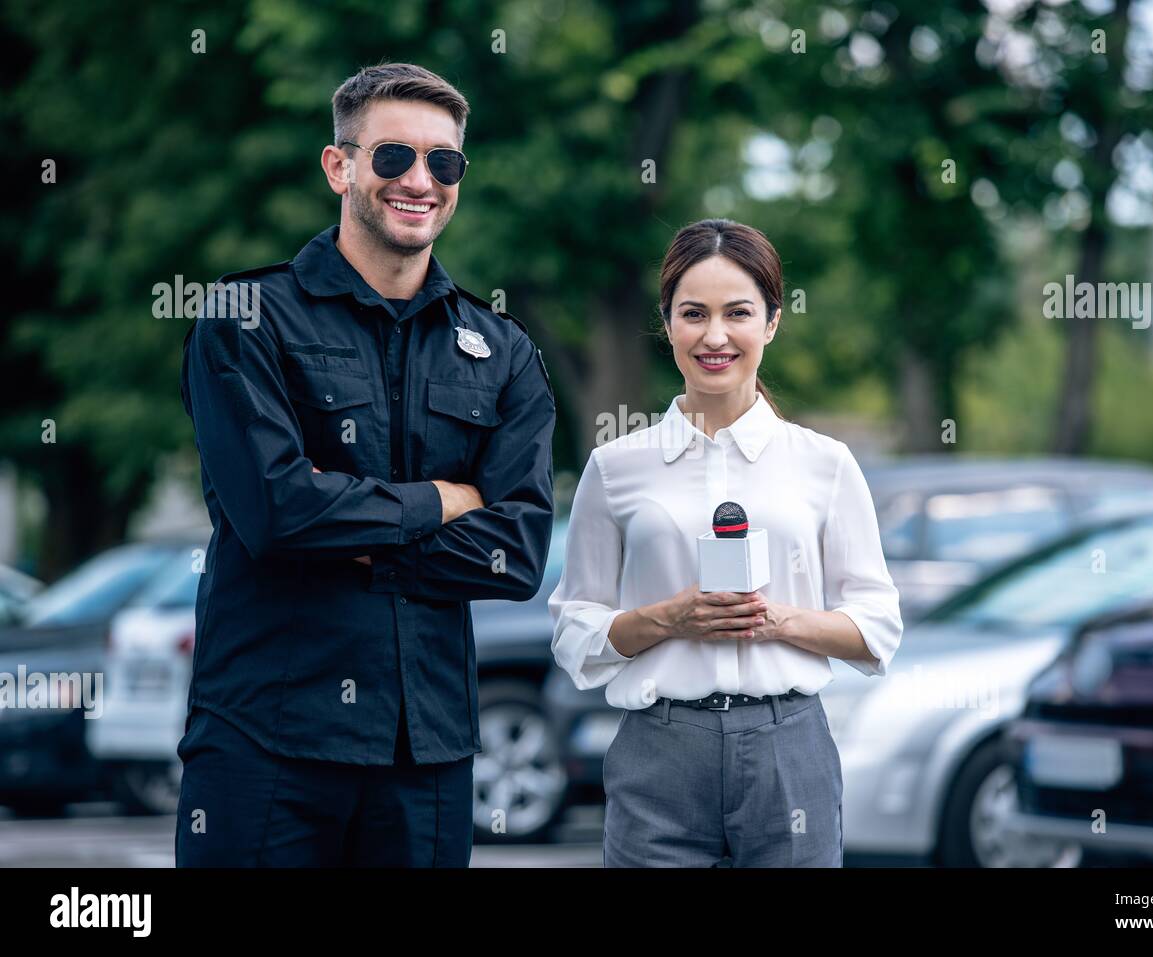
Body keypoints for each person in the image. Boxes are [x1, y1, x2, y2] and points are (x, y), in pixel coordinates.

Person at [175, 63, 556, 866]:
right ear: (339, 166)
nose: (420, 180)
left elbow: (517, 551)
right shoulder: (244, 320)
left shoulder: (505, 352)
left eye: (443, 162)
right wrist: (441, 502)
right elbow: (278, 515)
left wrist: (347, 530)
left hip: (428, 756)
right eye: (393, 157)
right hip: (265, 741)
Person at [549, 218, 902, 867]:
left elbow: (878, 628)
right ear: (668, 324)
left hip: (787, 748)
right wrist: (667, 618)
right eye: (693, 314)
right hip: (659, 752)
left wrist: (780, 620)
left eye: (737, 312)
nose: (715, 335)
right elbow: (575, 633)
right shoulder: (616, 467)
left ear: (771, 322)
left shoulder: (824, 463)